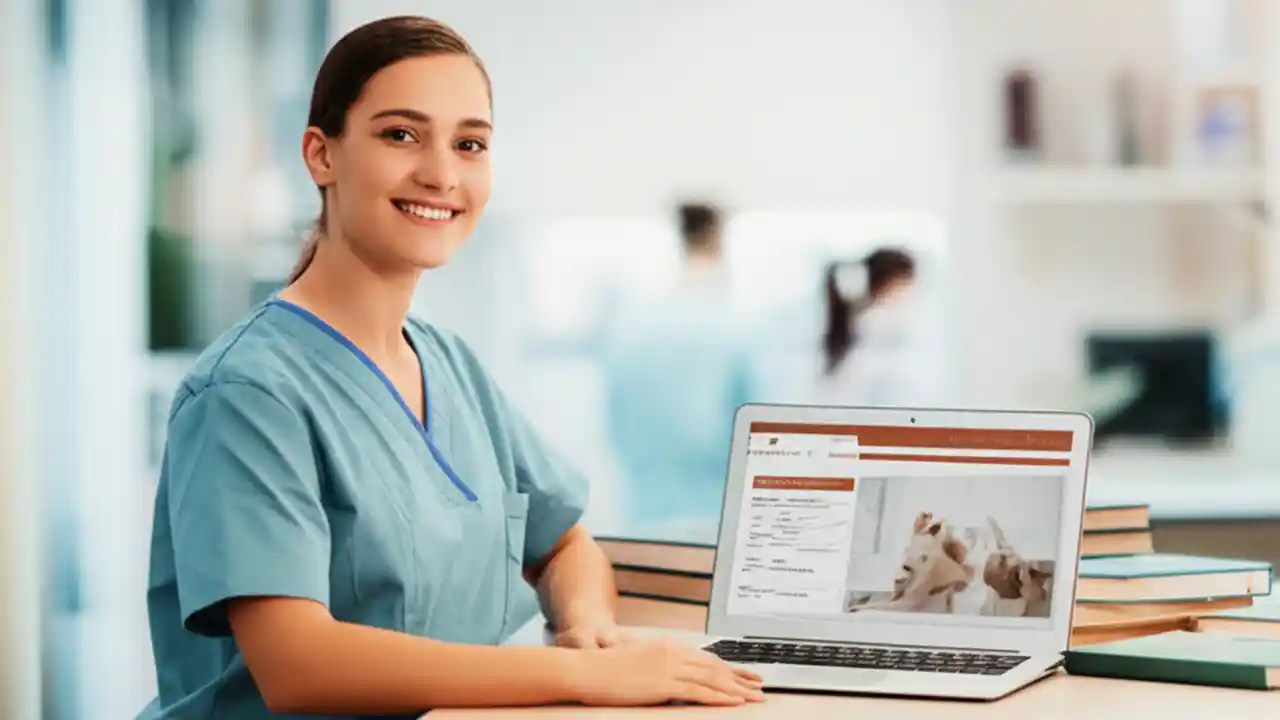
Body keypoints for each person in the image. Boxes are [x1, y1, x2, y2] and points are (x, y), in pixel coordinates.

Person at [145, 16, 762, 718]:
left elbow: (564, 542)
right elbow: (298, 665)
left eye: (470, 144)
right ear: (321, 155)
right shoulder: (248, 392)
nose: (441, 173)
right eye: (400, 134)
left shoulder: (449, 363)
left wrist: (589, 631)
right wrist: (583, 679)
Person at [602, 202, 757, 543]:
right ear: (719, 240)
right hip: (718, 516)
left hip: (645, 517)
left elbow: (616, 426)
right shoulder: (737, 328)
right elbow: (759, 429)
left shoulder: (634, 329)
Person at [818, 248, 924, 406]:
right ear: (890, 282)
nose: (908, 294)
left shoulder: (864, 320)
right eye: (905, 285)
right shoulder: (877, 323)